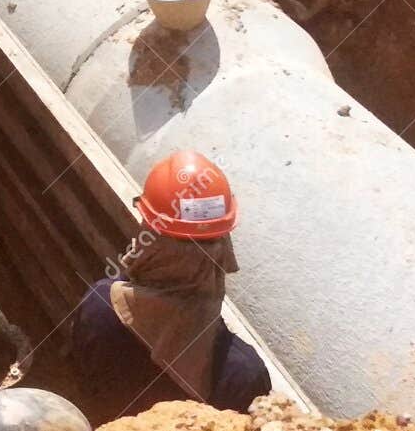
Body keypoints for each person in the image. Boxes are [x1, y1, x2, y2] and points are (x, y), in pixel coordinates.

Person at [71, 150, 271, 413]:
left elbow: (85, 380)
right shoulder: (243, 373)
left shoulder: (100, 305)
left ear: (150, 235)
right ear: (223, 250)